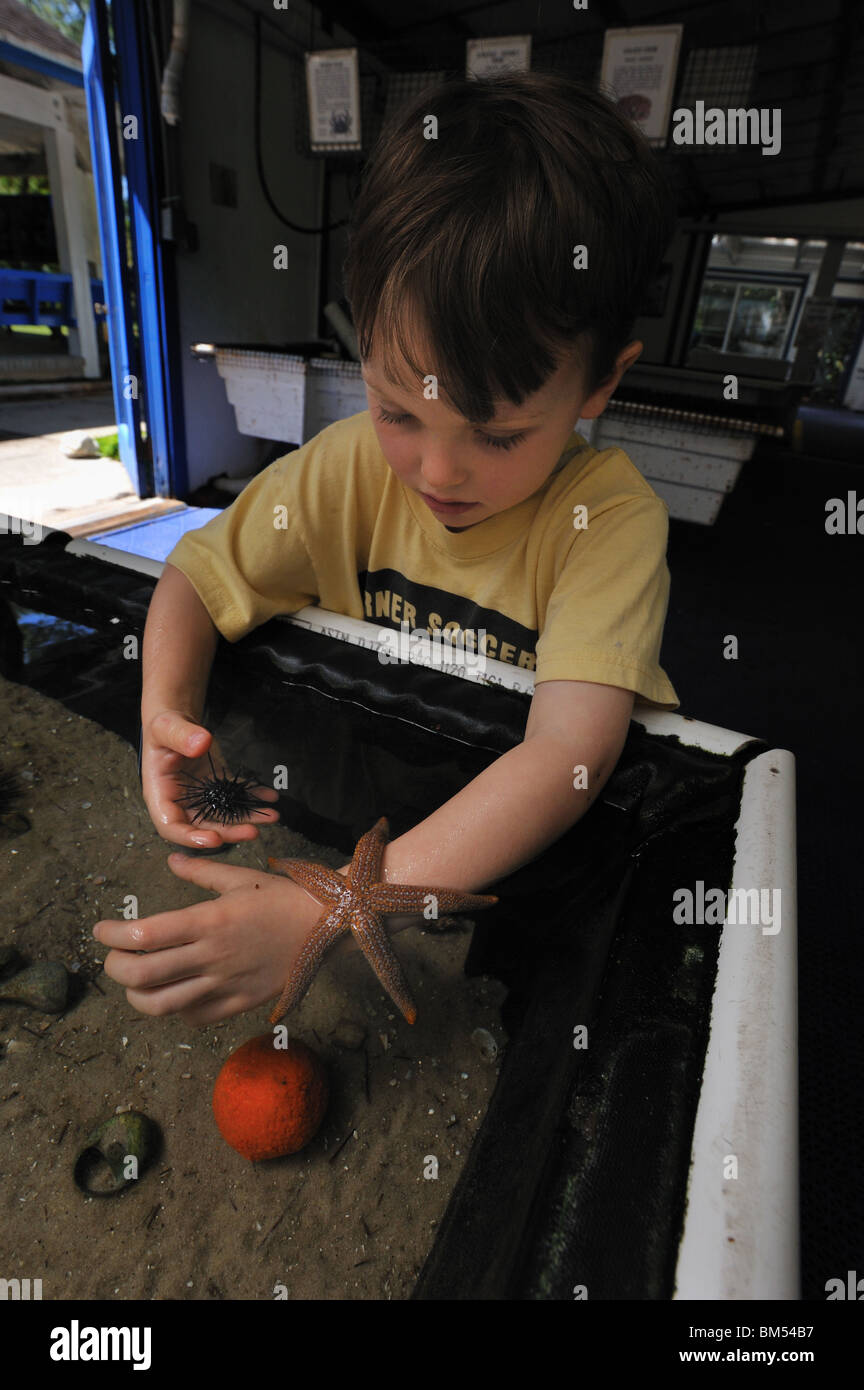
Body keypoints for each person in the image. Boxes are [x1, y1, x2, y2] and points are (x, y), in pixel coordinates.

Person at [94, 71, 679, 1025]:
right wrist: (168, 708)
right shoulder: (343, 469)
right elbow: (197, 576)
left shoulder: (608, 523)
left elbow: (568, 755)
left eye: (497, 434)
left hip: (502, 856)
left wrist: (330, 911)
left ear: (600, 384)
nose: (437, 471)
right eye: (397, 410)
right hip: (354, 807)